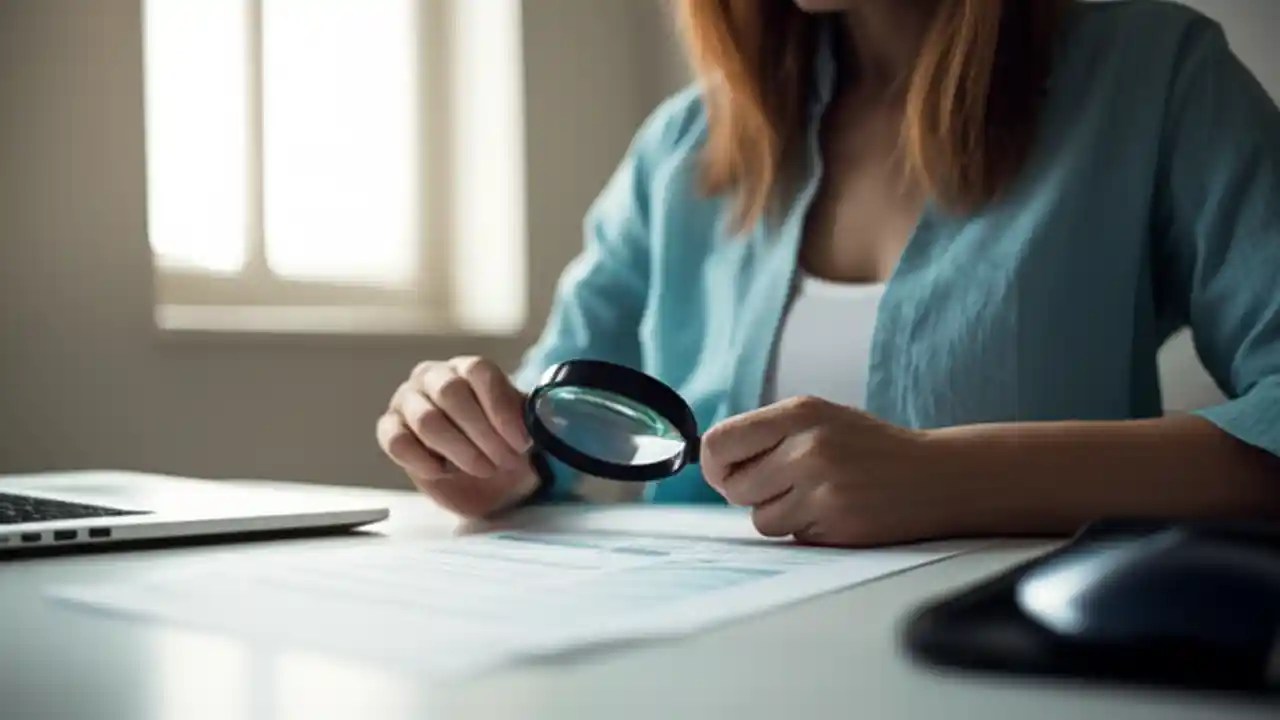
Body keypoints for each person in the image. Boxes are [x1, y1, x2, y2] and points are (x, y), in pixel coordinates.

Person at [377, 0, 1280, 546]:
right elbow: (555, 410)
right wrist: (484, 455)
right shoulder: (685, 145)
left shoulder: (1155, 77)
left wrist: (946, 476)